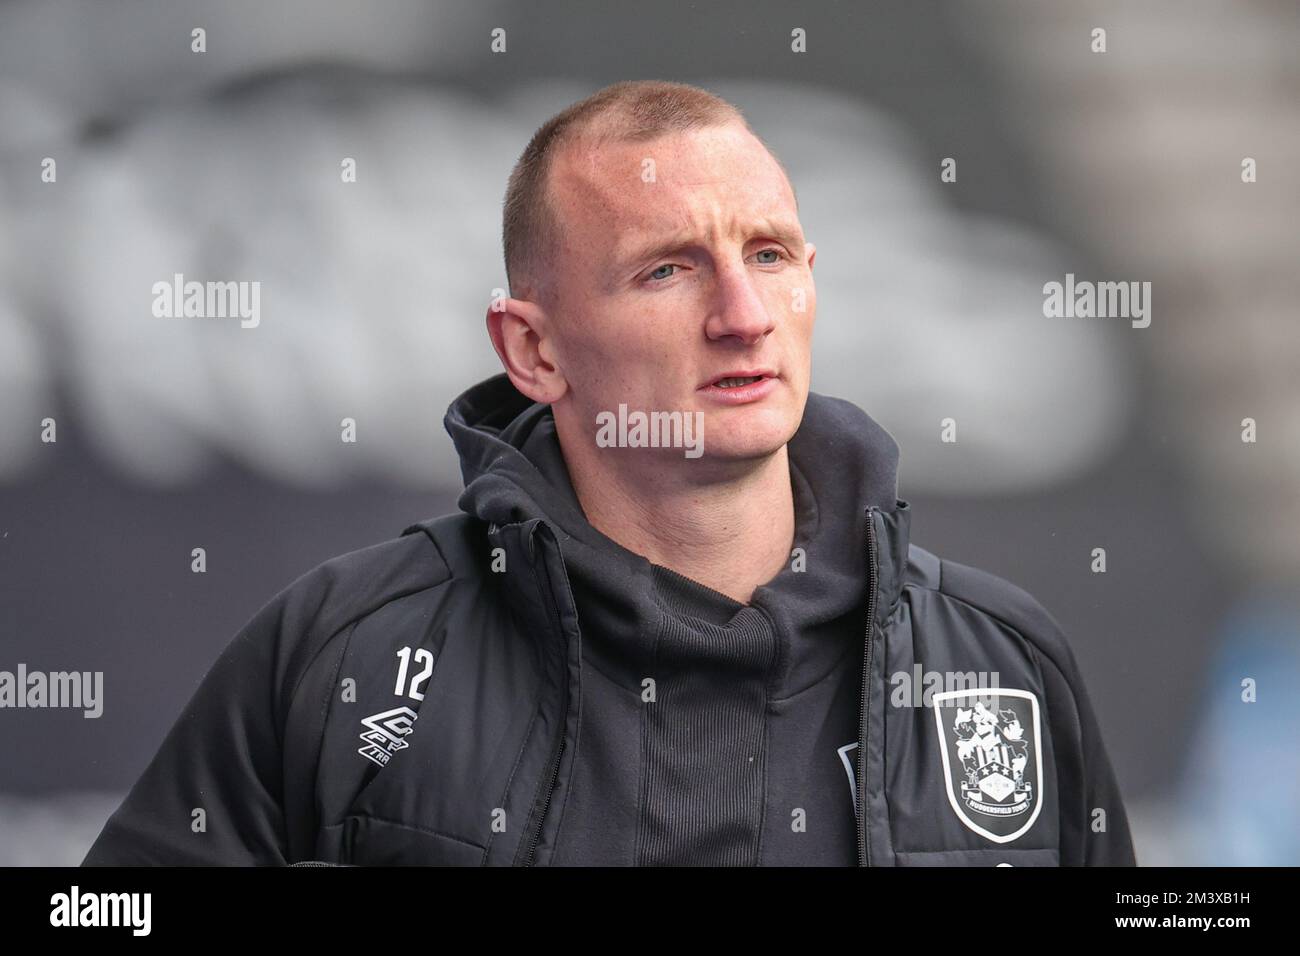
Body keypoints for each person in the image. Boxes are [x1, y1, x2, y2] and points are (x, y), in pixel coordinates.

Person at [83, 79, 1135, 867]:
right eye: (667, 269)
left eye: (768, 255)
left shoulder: (1002, 663)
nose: (742, 315)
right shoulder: (344, 649)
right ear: (534, 350)